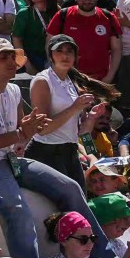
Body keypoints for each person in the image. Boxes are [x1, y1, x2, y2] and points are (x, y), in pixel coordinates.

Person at [0, 39, 102, 258]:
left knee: (71, 187)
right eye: (4, 58)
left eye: (13, 57)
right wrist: (23, 133)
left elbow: (22, 130)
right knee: (18, 210)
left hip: (9, 158)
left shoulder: (13, 91)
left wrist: (30, 130)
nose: (12, 62)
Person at [27, 35, 100, 183]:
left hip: (70, 151)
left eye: (69, 51)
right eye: (59, 51)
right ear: (51, 56)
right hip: (47, 153)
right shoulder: (42, 81)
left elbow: (80, 132)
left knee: (80, 196)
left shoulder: (71, 82)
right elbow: (42, 129)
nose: (65, 56)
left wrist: (91, 118)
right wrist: (75, 107)